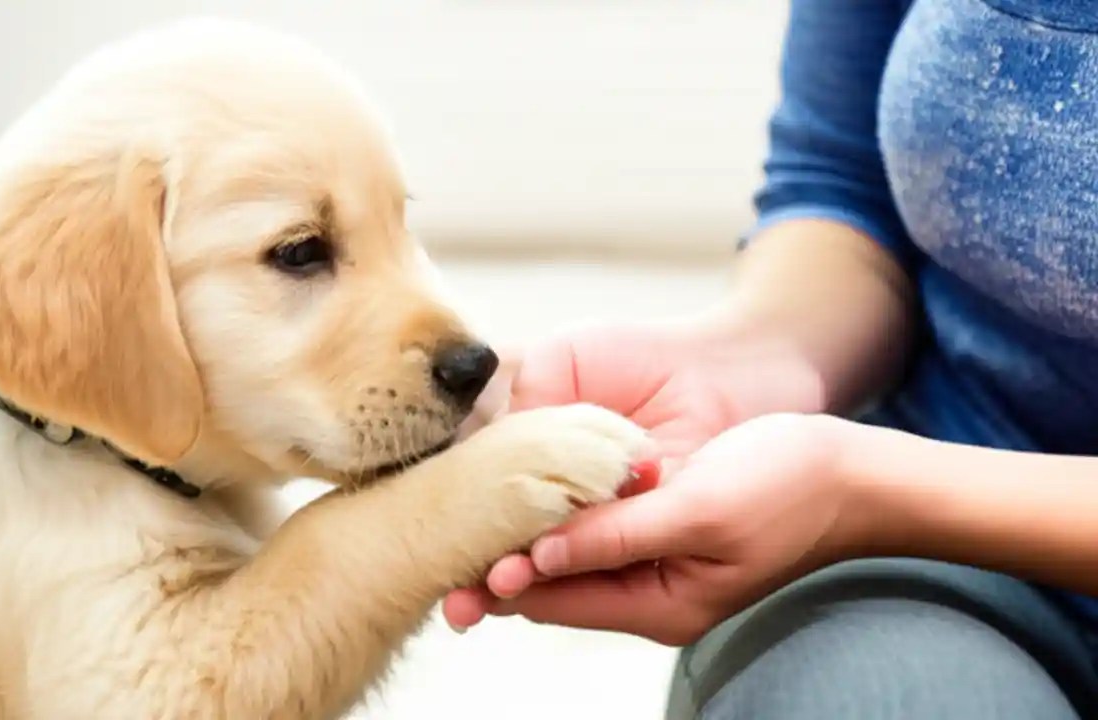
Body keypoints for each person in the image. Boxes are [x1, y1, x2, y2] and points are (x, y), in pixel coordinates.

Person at [442, 1, 1098, 718]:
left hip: (912, 498)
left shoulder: (870, 487)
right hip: (952, 554)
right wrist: (738, 364)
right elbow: (842, 188)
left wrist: (868, 490)